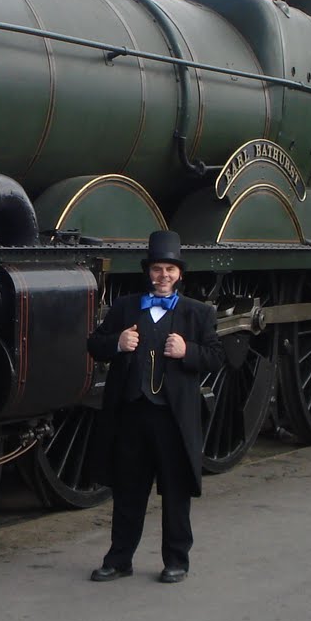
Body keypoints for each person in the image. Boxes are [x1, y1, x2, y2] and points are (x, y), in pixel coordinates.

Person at [86, 230, 224, 584]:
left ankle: (176, 560)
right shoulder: (125, 307)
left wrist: (188, 352)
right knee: (128, 490)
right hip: (132, 413)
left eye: (170, 270)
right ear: (149, 272)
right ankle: (119, 560)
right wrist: (116, 343)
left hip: (173, 417)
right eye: (158, 269)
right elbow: (95, 344)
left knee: (176, 491)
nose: (163, 276)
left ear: (180, 274)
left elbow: (218, 356)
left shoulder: (199, 313)